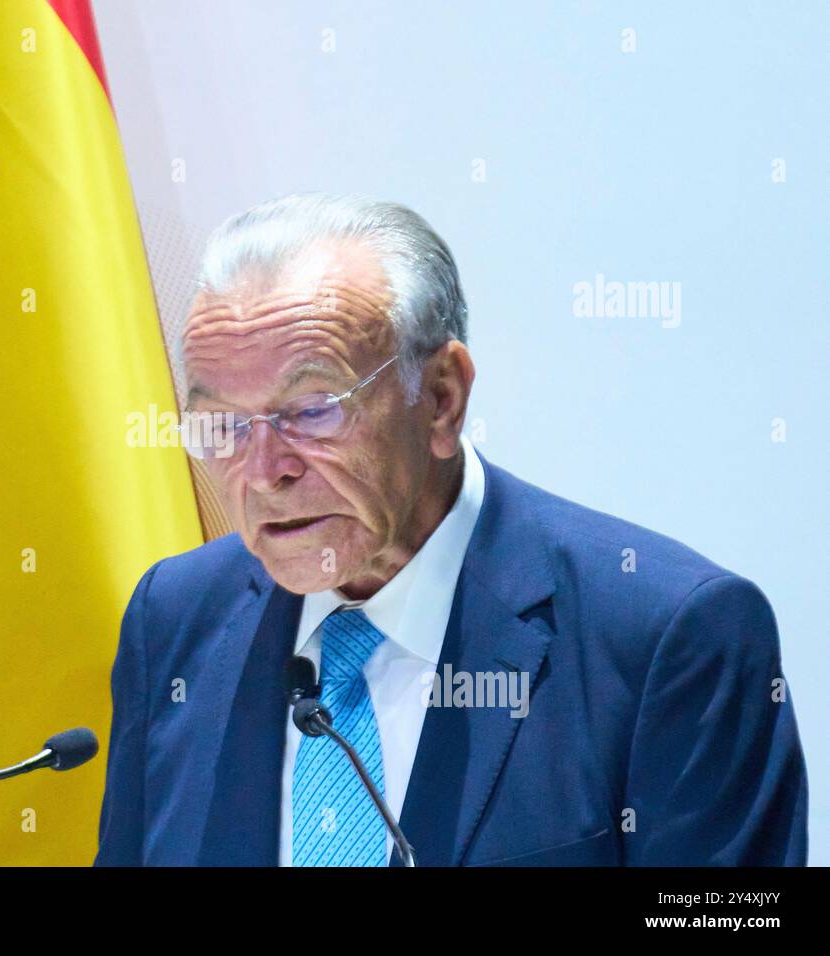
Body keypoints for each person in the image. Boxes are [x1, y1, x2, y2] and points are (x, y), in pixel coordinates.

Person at [95, 193, 808, 866]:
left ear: (440, 399)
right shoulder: (175, 617)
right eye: (223, 425)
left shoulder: (671, 638)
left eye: (311, 410)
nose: (263, 470)